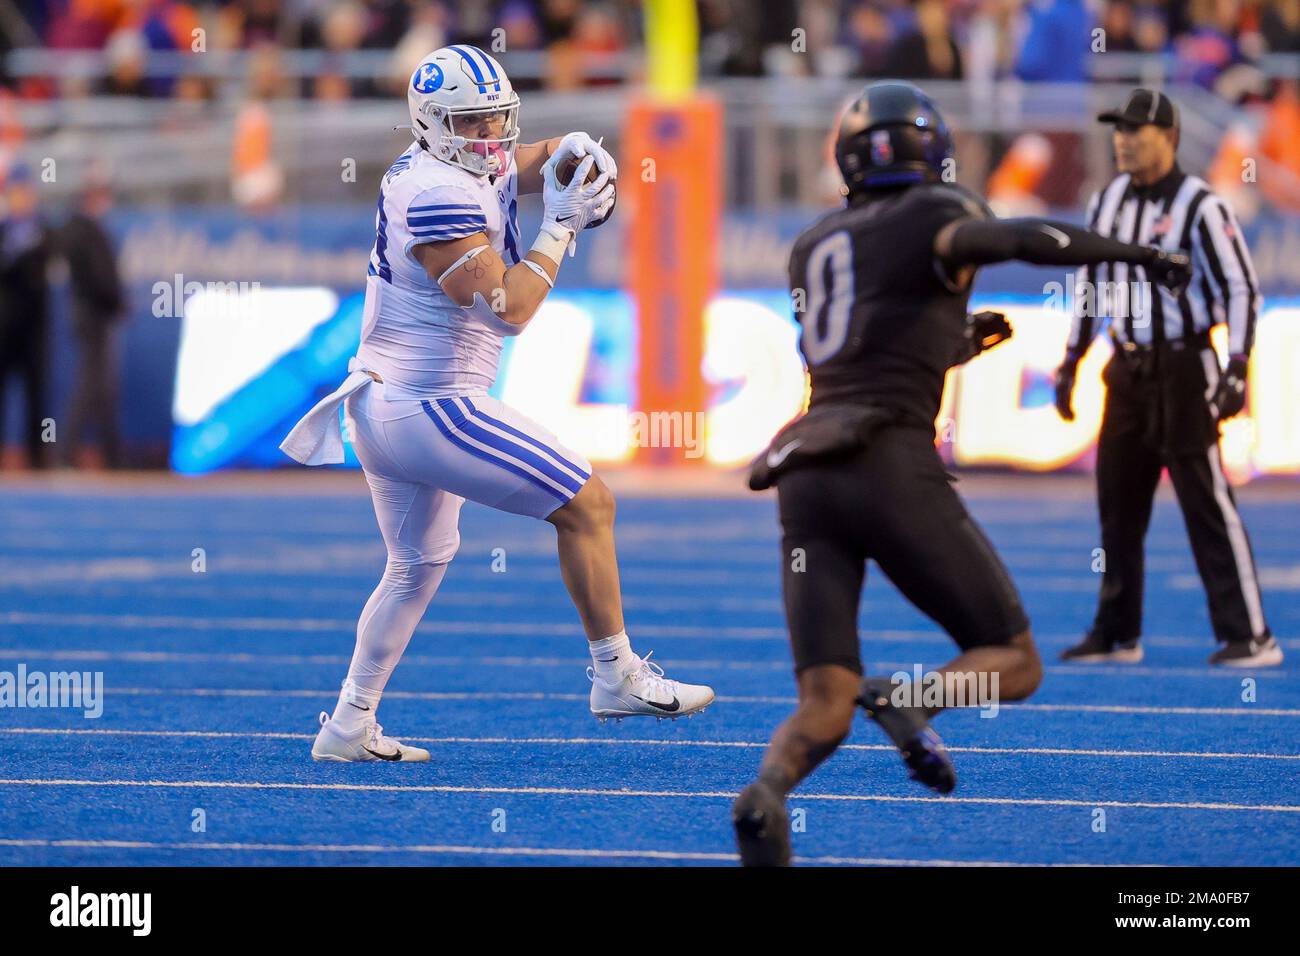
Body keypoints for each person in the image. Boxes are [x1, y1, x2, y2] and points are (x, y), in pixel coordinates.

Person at [731, 81, 1193, 866]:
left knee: (824, 703)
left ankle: (766, 793)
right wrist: (1138, 255)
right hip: (888, 461)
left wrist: (948, 341)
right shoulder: (936, 215)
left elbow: (854, 350)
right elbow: (1024, 240)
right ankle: (908, 699)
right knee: (1013, 661)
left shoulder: (813, 242)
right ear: (933, 153)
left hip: (808, 474)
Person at [281, 45, 714, 763]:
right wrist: (562, 224)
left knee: (415, 566)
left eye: (497, 118)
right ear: (431, 125)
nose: (490, 135)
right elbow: (508, 309)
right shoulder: (435, 195)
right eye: (473, 121)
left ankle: (349, 722)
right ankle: (616, 674)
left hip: (389, 402)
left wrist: (563, 151)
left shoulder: (456, 162)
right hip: (430, 405)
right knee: (589, 504)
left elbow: (515, 159)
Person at [1053, 88, 1280, 668]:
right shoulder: (1107, 202)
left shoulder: (1200, 203)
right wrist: (1073, 360)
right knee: (1117, 504)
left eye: (1137, 130)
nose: (1124, 140)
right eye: (1119, 130)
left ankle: (1249, 633)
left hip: (1184, 365)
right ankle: (1117, 631)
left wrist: (1236, 367)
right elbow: (1092, 284)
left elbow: (1240, 287)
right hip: (1126, 367)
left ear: (1170, 137)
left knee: (1206, 501)